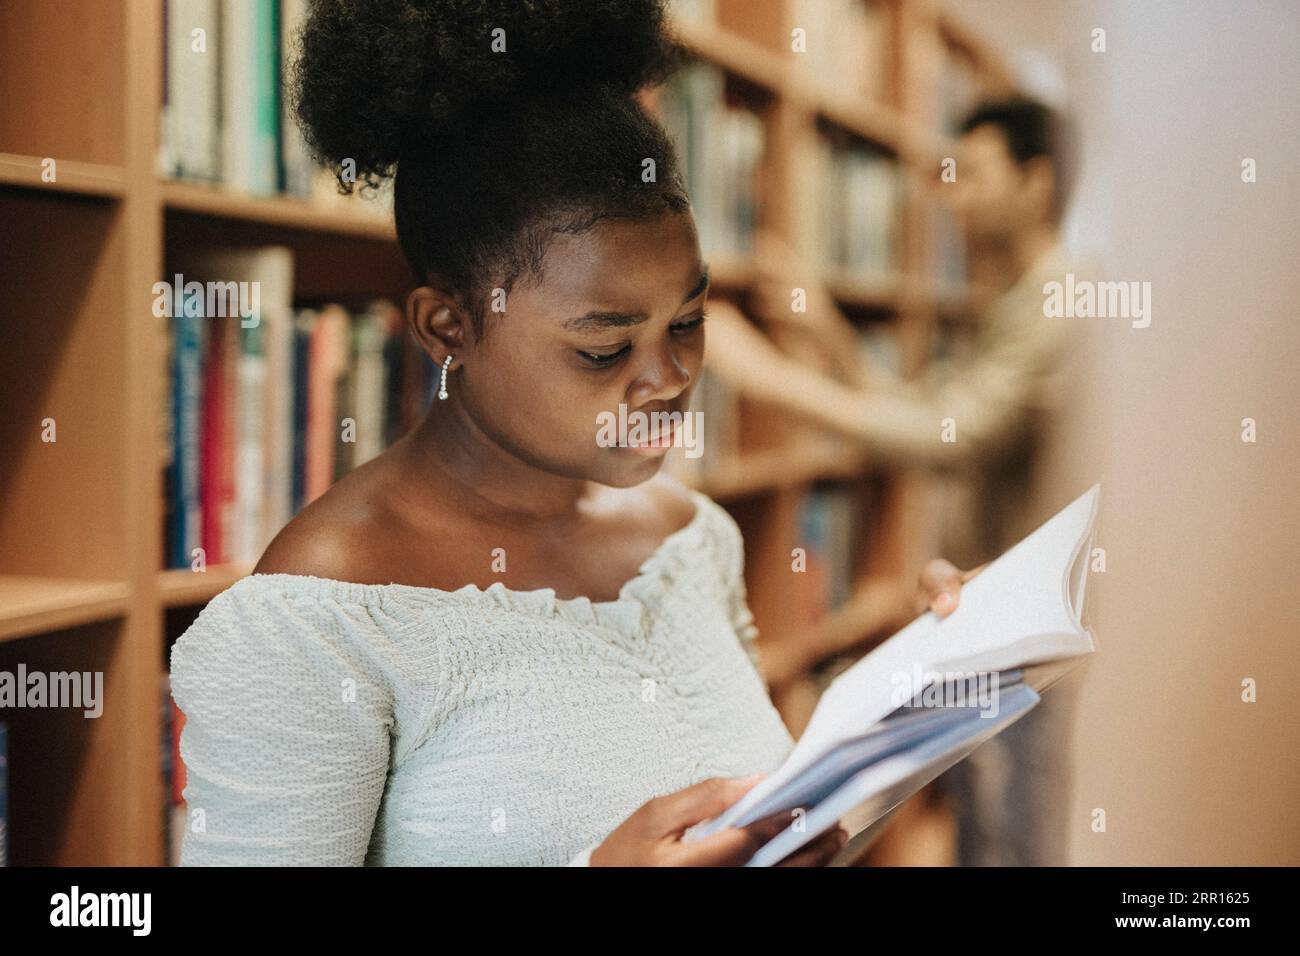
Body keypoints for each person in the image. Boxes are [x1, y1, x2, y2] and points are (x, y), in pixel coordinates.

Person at [167, 0, 864, 868]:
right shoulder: (318, 615)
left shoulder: (693, 540)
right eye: (605, 347)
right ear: (447, 326)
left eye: (687, 323)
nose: (670, 379)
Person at [704, 96, 1082, 865]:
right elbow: (929, 409)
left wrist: (773, 380)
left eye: (974, 174)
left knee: (1022, 831)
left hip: (1038, 621)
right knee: (987, 817)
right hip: (989, 610)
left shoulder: (1063, 300)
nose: (954, 195)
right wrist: (829, 336)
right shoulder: (1012, 300)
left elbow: (951, 437)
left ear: (1035, 184)